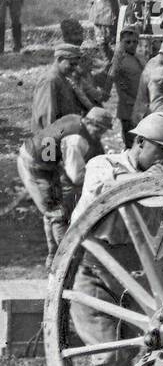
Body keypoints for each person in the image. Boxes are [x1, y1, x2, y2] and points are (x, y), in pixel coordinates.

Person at [69, 113, 163, 366]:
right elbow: (103, 195)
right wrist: (148, 180)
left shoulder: (156, 176)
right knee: (108, 353)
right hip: (93, 270)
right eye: (159, 152)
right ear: (138, 143)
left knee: (134, 348)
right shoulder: (102, 165)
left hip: (133, 274)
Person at [18, 106, 114, 267]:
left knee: (56, 208)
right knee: (56, 212)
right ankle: (66, 258)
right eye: (101, 130)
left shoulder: (77, 120)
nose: (101, 135)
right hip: (33, 164)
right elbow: (76, 177)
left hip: (49, 164)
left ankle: (55, 258)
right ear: (93, 124)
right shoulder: (76, 140)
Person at [32, 43, 95, 131]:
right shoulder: (50, 81)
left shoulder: (64, 79)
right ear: (60, 59)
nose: (74, 68)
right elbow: (47, 117)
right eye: (72, 64)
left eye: (76, 65)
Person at [109, 25, 144, 144]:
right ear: (122, 42)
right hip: (128, 108)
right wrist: (125, 91)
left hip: (139, 106)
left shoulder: (137, 58)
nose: (132, 45)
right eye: (128, 42)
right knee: (131, 143)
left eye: (135, 42)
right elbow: (115, 78)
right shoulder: (119, 59)